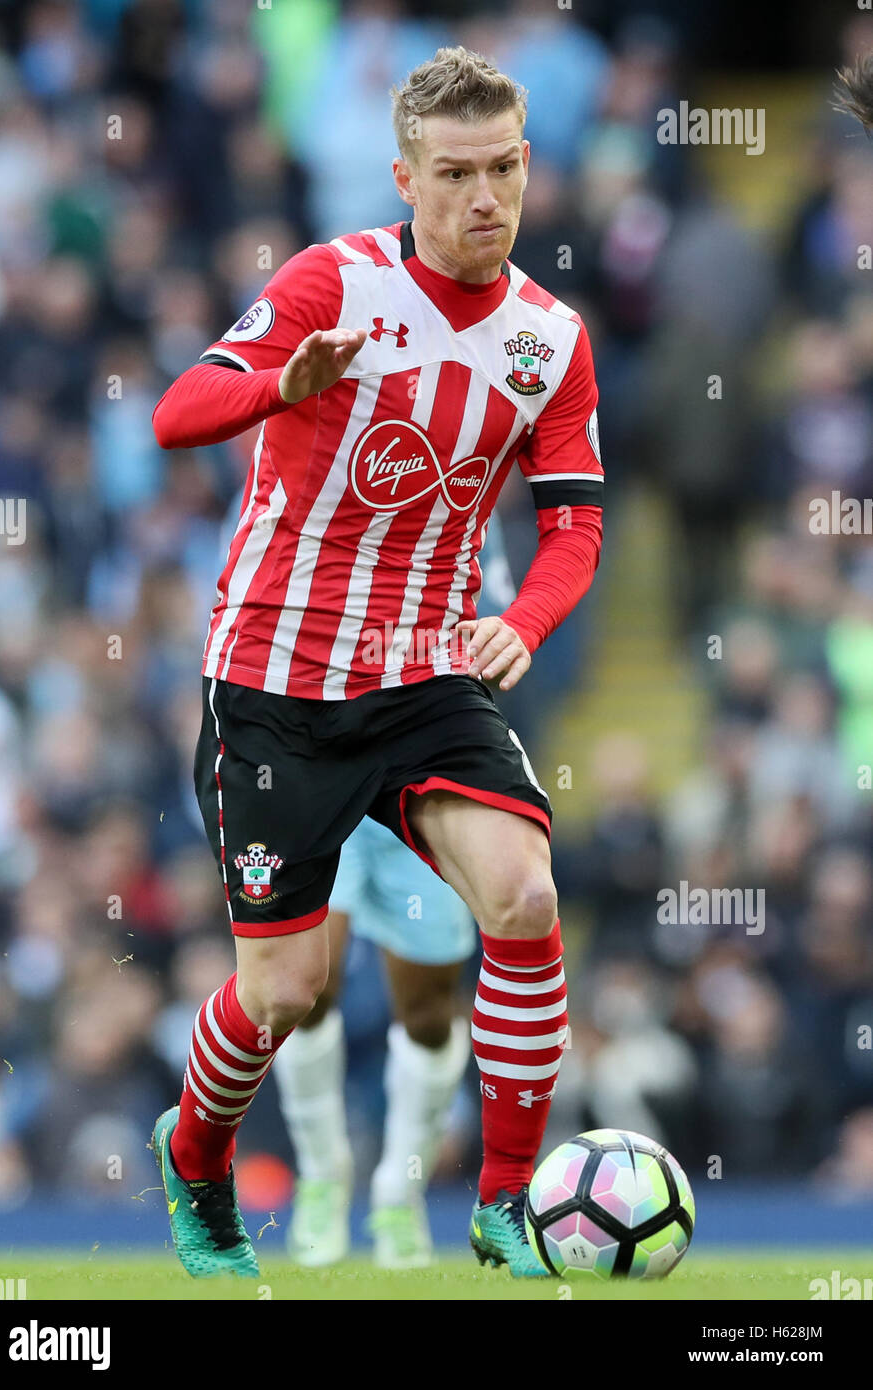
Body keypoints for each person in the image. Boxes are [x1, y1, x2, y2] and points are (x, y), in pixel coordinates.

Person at [150, 45, 604, 1280]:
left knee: (521, 897)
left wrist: (528, 619)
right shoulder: (328, 283)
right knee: (285, 991)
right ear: (403, 178)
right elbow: (175, 412)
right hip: (277, 684)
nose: (484, 198)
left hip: (425, 672)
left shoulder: (549, 340)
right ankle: (196, 1159)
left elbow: (572, 520)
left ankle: (504, 1202)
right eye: (454, 173)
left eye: (504, 167)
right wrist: (272, 390)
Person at [274, 514, 515, 1270]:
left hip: (424, 774)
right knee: (300, 986)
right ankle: (322, 1175)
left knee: (427, 1010)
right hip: (317, 765)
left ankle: (399, 1193)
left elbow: (499, 630)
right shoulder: (292, 484)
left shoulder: (467, 494)